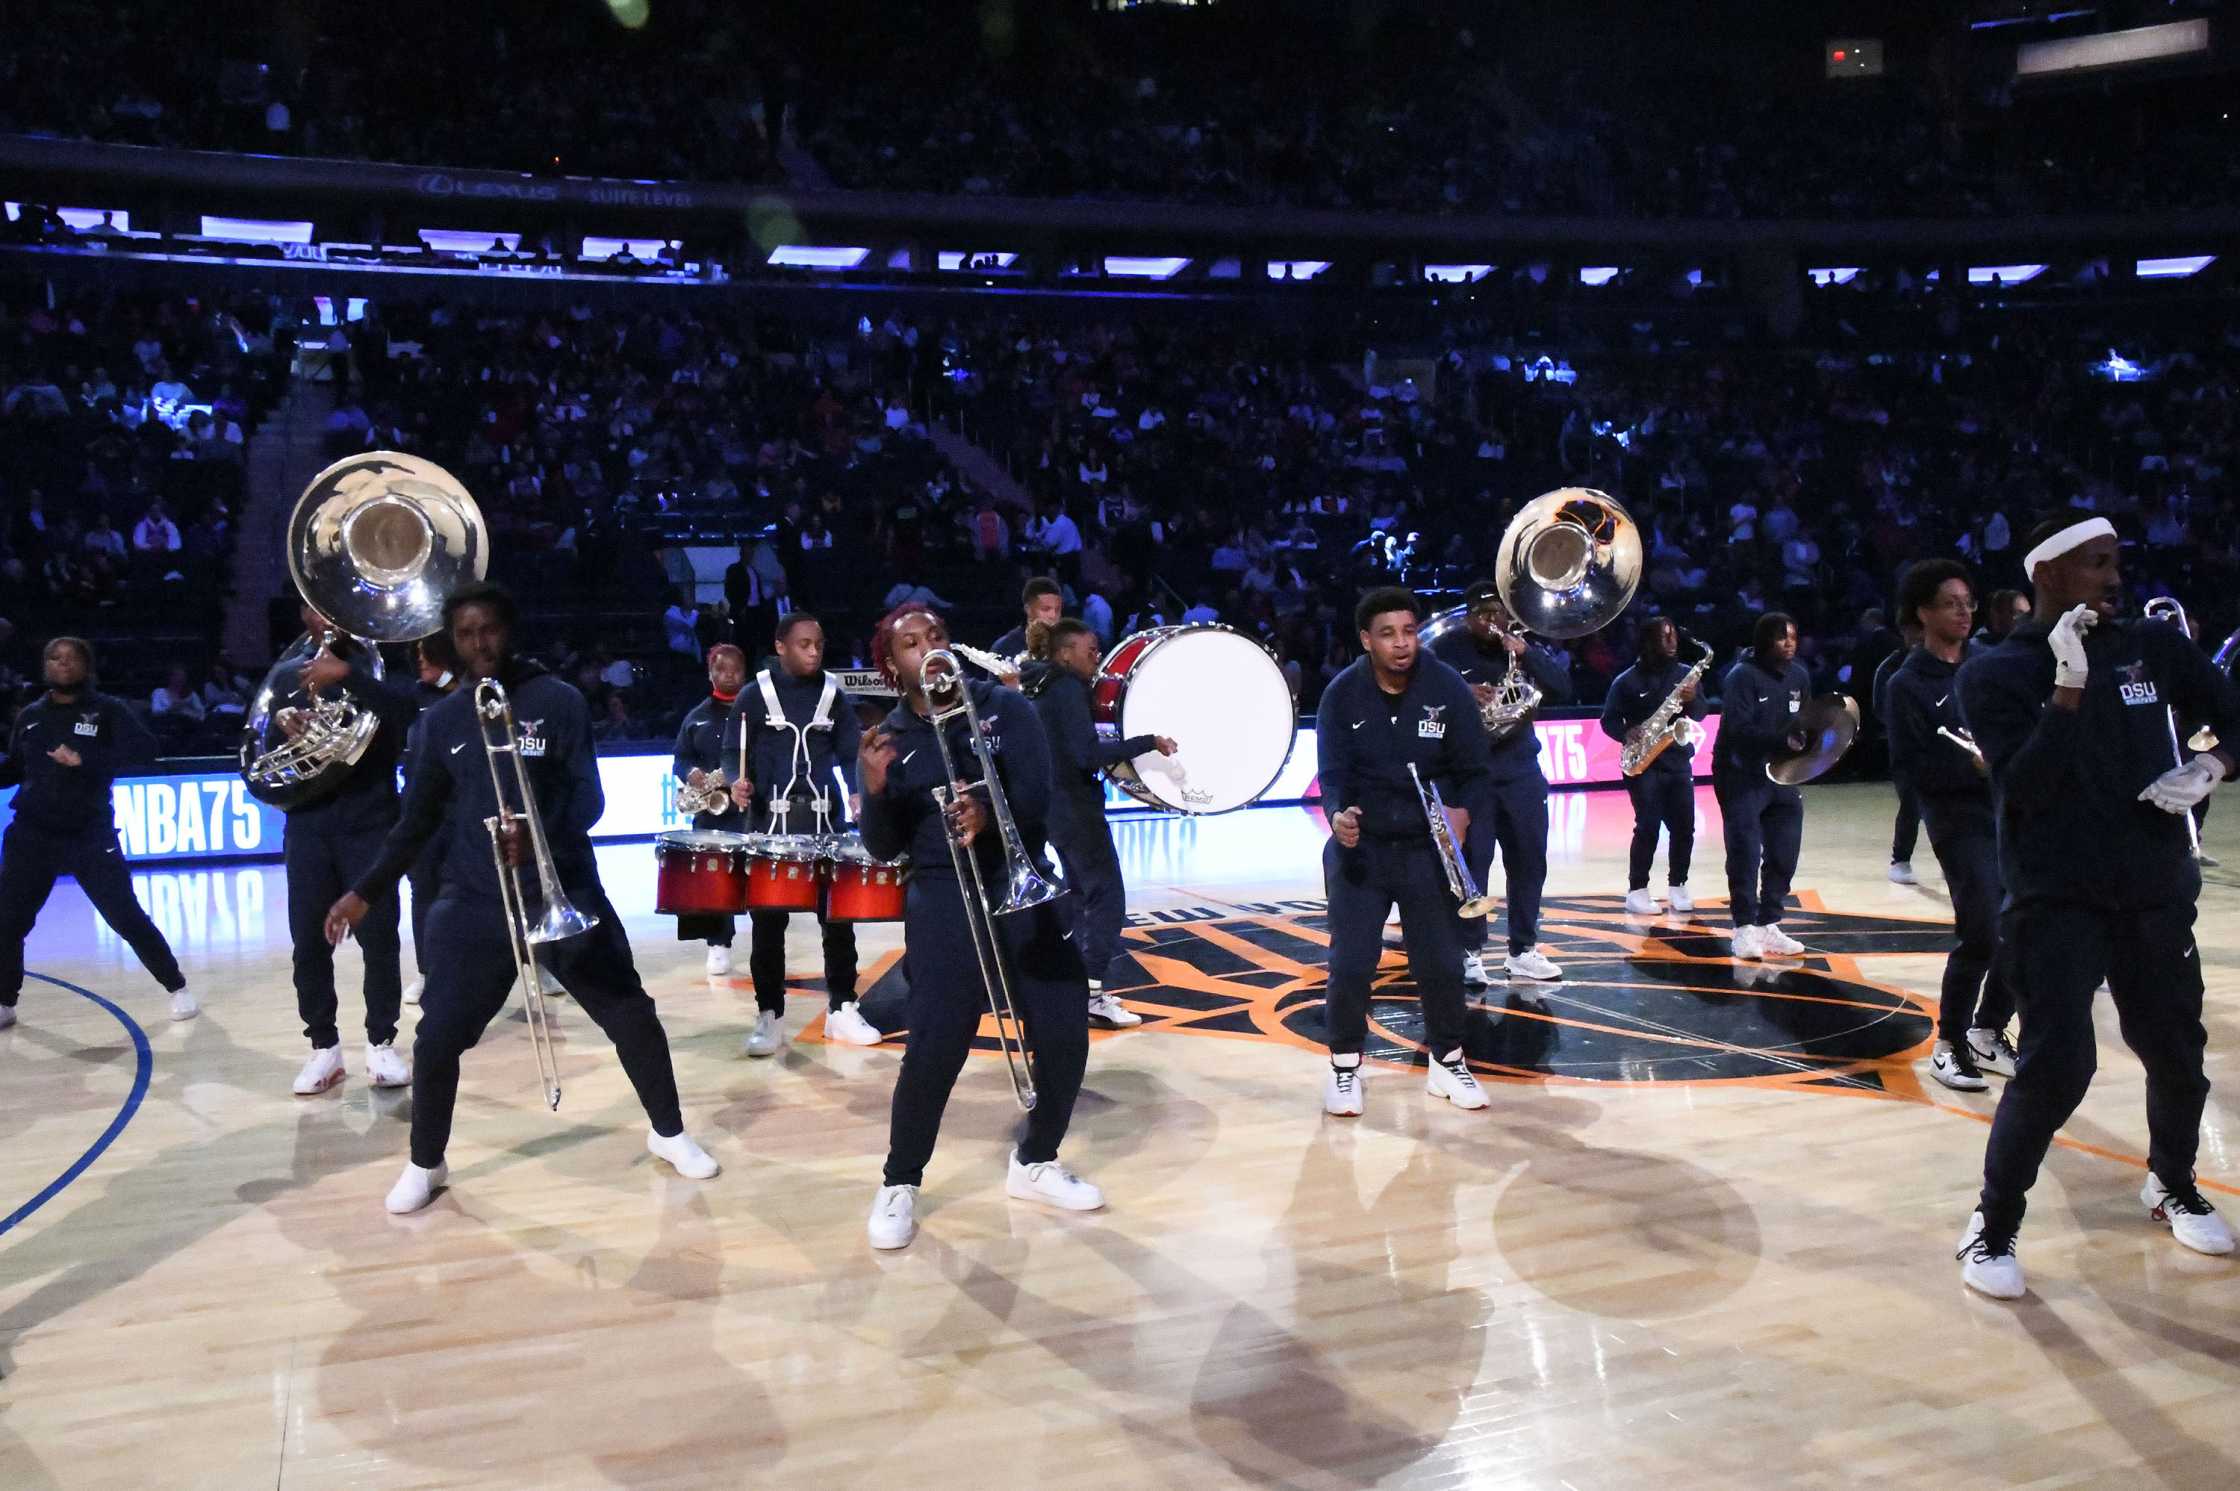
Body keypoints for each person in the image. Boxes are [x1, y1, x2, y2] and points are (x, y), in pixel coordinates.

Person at [325, 582, 719, 1214]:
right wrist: (363, 893)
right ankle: (426, 1162)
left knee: (631, 1015)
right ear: (452, 643)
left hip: (562, 889)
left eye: (489, 630)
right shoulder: (440, 722)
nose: (479, 644)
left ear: (508, 631)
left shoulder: (558, 701)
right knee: (438, 1038)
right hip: (476, 900)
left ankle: (669, 1132)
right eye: (465, 634)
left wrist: (537, 837)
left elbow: (589, 800)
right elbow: (415, 823)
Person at [1951, 516, 2239, 1299]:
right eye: (2096, 563)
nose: (2114, 577)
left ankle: (2172, 1182)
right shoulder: (1996, 673)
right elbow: (2025, 787)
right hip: (2055, 900)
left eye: (2116, 562)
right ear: (2048, 574)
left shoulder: (2152, 645)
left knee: (2176, 1055)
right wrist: (2068, 690)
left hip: (2154, 891)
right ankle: (1992, 1225)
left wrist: (2215, 762)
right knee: (2058, 1065)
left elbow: (2233, 711)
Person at [858, 605, 1100, 1249]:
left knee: (1064, 1029)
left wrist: (988, 814)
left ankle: (1036, 1159)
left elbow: (1040, 798)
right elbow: (883, 847)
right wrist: (874, 790)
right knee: (936, 1045)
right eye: (911, 644)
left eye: (936, 636)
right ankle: (900, 1181)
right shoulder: (889, 736)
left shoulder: (1005, 708)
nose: (928, 650)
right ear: (892, 666)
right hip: (943, 896)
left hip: (1018, 880)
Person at [1315, 587, 1492, 1116]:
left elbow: (1475, 771)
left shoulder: (1447, 687)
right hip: (1362, 852)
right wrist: (1338, 816)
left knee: (1441, 964)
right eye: (1388, 634)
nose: (1401, 643)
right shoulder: (1342, 695)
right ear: (1366, 640)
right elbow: (1331, 777)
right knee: (1351, 964)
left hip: (1426, 852)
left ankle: (1448, 1063)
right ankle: (1344, 1066)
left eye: (1409, 631)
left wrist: (1462, 814)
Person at [0, 637, 197, 1028]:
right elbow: (16, 769)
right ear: (44, 666)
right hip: (32, 832)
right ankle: (5, 1002)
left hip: (88, 833)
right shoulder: (31, 716)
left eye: (71, 658)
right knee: (8, 921)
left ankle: (176, 986)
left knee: (124, 915)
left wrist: (84, 760)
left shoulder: (107, 710)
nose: (62, 663)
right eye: (54, 658)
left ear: (86, 666)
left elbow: (146, 750)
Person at [265, 606, 419, 1095]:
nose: (326, 615)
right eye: (314, 606)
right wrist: (284, 725)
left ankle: (381, 1042)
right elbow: (262, 750)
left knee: (380, 937)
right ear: (303, 614)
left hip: (371, 823)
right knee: (309, 943)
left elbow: (407, 714)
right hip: (308, 824)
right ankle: (323, 1048)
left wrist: (347, 675)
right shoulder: (288, 675)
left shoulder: (385, 668)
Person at [1884, 561, 2017, 1094]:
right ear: (1923, 612)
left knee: (2021, 927)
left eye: (1968, 602)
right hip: (1957, 818)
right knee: (1982, 929)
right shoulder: (1906, 683)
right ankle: (1950, 1043)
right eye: (1950, 603)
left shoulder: (1986, 665)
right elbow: (1910, 769)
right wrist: (1974, 768)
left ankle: (1989, 1030)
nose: (1964, 612)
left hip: (2007, 812)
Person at [724, 613, 877, 1054]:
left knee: (838, 922)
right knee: (768, 928)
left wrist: (858, 793)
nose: (814, 652)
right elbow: (732, 752)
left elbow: (850, 755)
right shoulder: (755, 694)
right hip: (770, 828)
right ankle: (769, 1015)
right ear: (780, 647)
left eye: (818, 644)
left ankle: (841, 1008)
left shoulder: (832, 693)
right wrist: (736, 781)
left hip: (826, 825)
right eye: (804, 644)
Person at [1025, 617, 1175, 1028]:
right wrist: (1147, 742)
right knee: (1108, 899)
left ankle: (1076, 989)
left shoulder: (1039, 684)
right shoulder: (1068, 688)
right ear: (1065, 653)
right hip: (1077, 810)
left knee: (1080, 898)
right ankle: (1091, 993)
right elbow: (1086, 754)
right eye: (1090, 651)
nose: (1097, 658)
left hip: (1054, 809)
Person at [1426, 580, 1570, 983]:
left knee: (1529, 861)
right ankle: (1469, 952)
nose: (1492, 621)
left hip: (1522, 772)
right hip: (1472, 775)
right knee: (1474, 864)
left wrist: (1528, 654)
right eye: (1483, 614)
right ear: (1469, 617)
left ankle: (1523, 949)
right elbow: (1422, 695)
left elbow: (1563, 688)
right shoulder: (1445, 649)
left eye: (1498, 614)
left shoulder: (1521, 648)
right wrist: (1462, 691)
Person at [1714, 613, 1812, 961]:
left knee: (1784, 851)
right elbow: (1738, 730)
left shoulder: (1799, 675)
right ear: (1764, 640)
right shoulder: (1741, 677)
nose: (1789, 643)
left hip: (1783, 775)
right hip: (1740, 774)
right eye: (1782, 637)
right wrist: (1782, 741)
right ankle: (1743, 927)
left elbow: (1806, 722)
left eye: (1793, 637)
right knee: (1744, 851)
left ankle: (1769, 923)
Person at [1598, 616, 1709, 915]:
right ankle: (1637, 890)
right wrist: (1626, 732)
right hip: (1643, 764)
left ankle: (1678, 885)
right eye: (1664, 637)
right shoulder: (1626, 681)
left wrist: (1692, 699)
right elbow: (1608, 720)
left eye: (1673, 636)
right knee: (1647, 827)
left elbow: (1700, 713)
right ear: (1648, 642)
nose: (1672, 642)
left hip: (1677, 760)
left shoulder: (1686, 675)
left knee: (1684, 827)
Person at [669, 643, 752, 979]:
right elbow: (680, 758)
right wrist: (690, 772)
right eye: (721, 669)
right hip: (711, 809)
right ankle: (718, 943)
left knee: (755, 876)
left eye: (735, 669)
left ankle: (766, 939)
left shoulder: (755, 712)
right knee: (714, 880)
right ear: (710, 673)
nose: (728, 675)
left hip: (749, 805)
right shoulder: (696, 716)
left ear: (744, 673)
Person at [400, 633, 459, 1007]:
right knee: (422, 891)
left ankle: (533, 962)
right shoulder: (412, 697)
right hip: (422, 812)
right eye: (416, 656)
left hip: (463, 810)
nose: (420, 662)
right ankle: (426, 972)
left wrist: (450, 681)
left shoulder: (468, 693)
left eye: (428, 655)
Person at [1873, 619, 1924, 884]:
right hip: (1907, 748)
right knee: (1912, 803)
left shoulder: (1948, 660)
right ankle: (1901, 860)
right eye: (1914, 629)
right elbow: (1881, 708)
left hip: (1946, 745)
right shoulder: (1891, 668)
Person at [992, 576, 1064, 661]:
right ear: (1028, 609)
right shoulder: (1005, 647)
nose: (1053, 615)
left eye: (1057, 609)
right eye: (1045, 609)